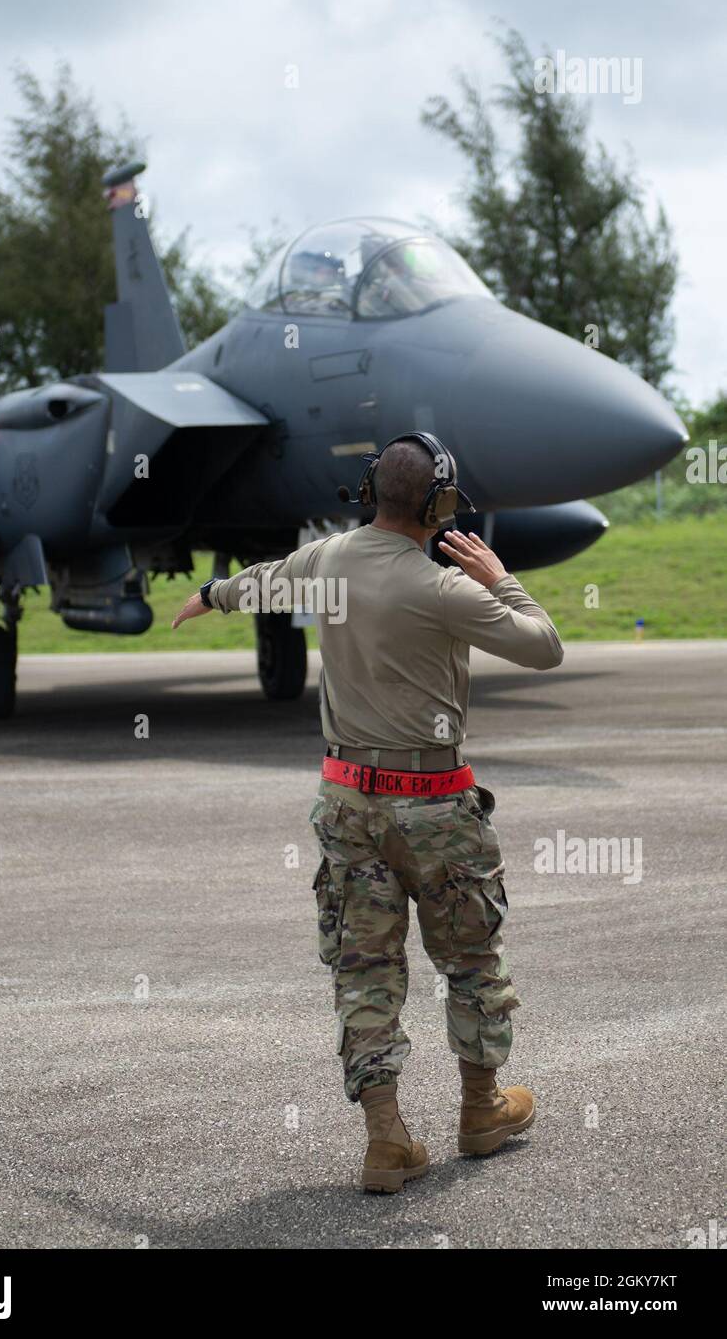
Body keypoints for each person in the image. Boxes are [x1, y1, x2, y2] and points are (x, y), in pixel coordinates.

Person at [172, 434, 563, 1194]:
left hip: (348, 801)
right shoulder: (444, 589)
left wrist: (213, 594)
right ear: (438, 505)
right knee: (472, 959)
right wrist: (500, 579)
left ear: (368, 491)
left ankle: (386, 1142)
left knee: (364, 969)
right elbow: (542, 647)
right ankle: (480, 1112)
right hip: (436, 809)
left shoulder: (325, 562)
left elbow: (262, 582)